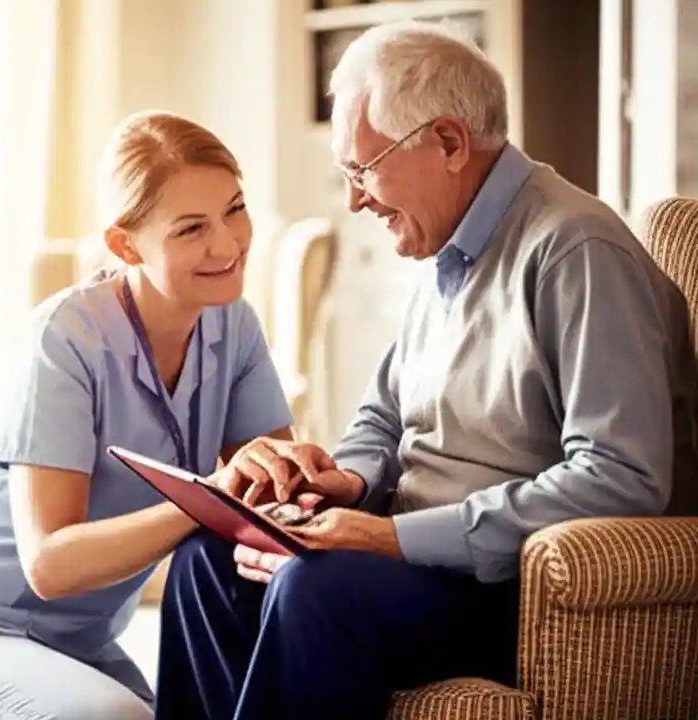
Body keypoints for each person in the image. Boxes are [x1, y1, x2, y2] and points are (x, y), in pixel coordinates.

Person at [155, 20, 698, 720]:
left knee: (317, 592)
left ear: (447, 142)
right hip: (420, 557)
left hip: (514, 584)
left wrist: (389, 538)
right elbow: (386, 415)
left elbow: (620, 477)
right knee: (208, 561)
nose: (354, 199)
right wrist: (344, 481)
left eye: (362, 168)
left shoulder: (574, 251)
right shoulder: (449, 250)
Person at [0, 110, 304, 718]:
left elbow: (267, 493)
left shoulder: (232, 324)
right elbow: (50, 564)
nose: (227, 245)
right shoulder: (64, 338)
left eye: (235, 208)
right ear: (126, 245)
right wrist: (202, 498)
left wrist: (297, 475)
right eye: (191, 229)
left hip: (76, 650)